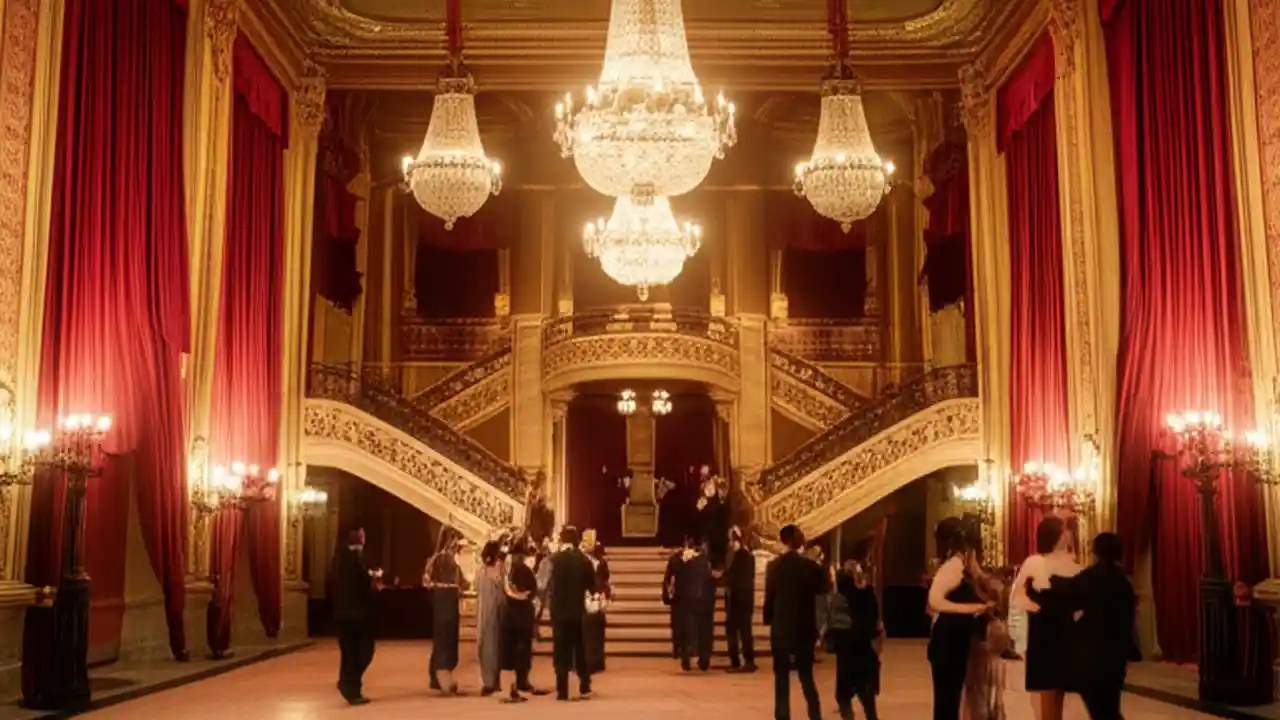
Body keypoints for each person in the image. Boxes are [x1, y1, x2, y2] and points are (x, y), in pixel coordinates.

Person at [1055, 532, 1137, 720]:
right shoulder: (1124, 584)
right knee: (1109, 706)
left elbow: (1065, 600)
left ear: (1095, 552)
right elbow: (1127, 622)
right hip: (1115, 656)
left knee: (1101, 709)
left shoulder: (1088, 578)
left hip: (1089, 654)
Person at [1012, 516, 1081, 720]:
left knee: (1061, 690)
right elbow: (1018, 593)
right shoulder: (1035, 562)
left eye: (1066, 531)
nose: (1066, 535)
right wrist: (1034, 609)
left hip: (1067, 632)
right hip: (1044, 633)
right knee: (1048, 690)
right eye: (1062, 531)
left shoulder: (1074, 564)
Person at [927, 517, 992, 720]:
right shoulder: (954, 566)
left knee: (951, 699)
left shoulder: (963, 565)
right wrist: (971, 608)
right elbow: (934, 601)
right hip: (947, 641)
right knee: (947, 702)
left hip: (955, 640)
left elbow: (984, 581)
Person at [764, 524, 828, 720]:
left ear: (782, 541)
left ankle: (782, 716)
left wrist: (769, 618)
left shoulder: (774, 566)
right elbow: (823, 589)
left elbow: (770, 597)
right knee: (807, 678)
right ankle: (815, 715)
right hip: (803, 629)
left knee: (781, 679)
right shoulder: (809, 567)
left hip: (781, 628)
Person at [333, 523, 380, 706]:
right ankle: (349, 687)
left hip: (353, 614)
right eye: (362, 533)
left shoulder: (354, 558)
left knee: (354, 653)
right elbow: (354, 586)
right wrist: (372, 586)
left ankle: (349, 685)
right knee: (359, 652)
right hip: (353, 614)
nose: (363, 536)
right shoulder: (347, 558)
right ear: (357, 536)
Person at [962, 536, 1008, 720]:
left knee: (983, 687)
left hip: (984, 643)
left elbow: (996, 605)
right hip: (976, 641)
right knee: (976, 689)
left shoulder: (985, 583)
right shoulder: (970, 581)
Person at [827, 559, 879, 720]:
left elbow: (832, 625)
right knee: (866, 695)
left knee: (844, 695)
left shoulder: (838, 598)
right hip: (863, 648)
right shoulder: (867, 594)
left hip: (847, 650)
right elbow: (874, 621)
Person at [548, 526, 596, 701]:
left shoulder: (553, 560)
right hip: (577, 611)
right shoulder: (584, 560)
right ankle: (584, 685)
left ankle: (562, 690)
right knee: (580, 648)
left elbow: (544, 584)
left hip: (559, 611)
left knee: (560, 649)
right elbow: (592, 586)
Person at [501, 538, 548, 703]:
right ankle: (521, 682)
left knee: (511, 652)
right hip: (523, 615)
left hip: (510, 615)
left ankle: (513, 685)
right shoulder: (524, 571)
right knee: (523, 651)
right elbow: (534, 589)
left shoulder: (508, 572)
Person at [426, 529, 468, 694]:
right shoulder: (441, 559)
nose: (457, 545)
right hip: (444, 600)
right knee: (445, 636)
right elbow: (429, 580)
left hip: (447, 600)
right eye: (455, 541)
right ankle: (442, 674)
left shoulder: (447, 560)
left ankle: (437, 676)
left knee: (444, 636)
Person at [677, 539, 716, 672]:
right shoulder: (706, 564)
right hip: (705, 603)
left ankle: (686, 657)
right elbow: (711, 583)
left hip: (689, 602)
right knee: (704, 632)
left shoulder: (685, 563)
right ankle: (704, 659)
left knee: (688, 632)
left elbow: (679, 582)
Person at [475, 541, 506, 696]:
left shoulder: (481, 572)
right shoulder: (496, 571)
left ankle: (490, 681)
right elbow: (503, 591)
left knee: (489, 647)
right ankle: (491, 681)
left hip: (486, 612)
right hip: (492, 612)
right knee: (491, 647)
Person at [724, 528, 757, 673]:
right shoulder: (750, 557)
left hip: (736, 601)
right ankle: (749, 660)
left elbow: (732, 577)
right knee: (746, 632)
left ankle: (735, 661)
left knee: (733, 632)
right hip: (746, 600)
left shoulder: (738, 557)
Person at [584, 541, 612, 674]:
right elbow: (606, 578)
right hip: (597, 598)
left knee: (592, 635)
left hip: (593, 598)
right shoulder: (599, 564)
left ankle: (593, 661)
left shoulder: (588, 563)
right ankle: (597, 661)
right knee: (597, 635)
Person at [662, 540, 687, 659]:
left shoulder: (675, 559)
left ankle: (678, 648)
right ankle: (679, 647)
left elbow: (667, 577)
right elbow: (667, 578)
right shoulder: (677, 560)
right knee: (679, 624)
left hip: (680, 597)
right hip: (681, 597)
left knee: (678, 624)